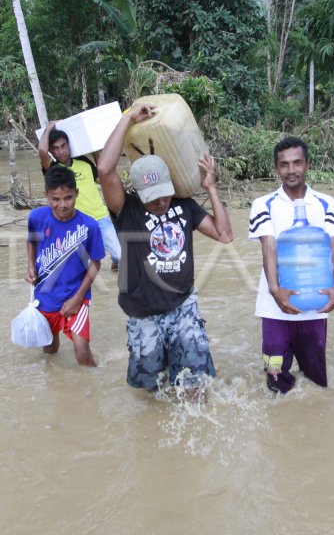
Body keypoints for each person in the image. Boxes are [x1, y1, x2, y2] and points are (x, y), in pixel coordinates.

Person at [97, 103, 234, 398]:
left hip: (182, 305)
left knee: (196, 383)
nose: (159, 203)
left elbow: (224, 235)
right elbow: (105, 169)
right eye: (151, 199)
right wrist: (128, 119)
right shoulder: (126, 209)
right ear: (137, 193)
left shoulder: (184, 205)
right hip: (142, 312)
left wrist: (210, 187)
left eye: (163, 195)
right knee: (152, 389)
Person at [248, 137, 334, 394]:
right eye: (284, 164)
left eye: (297, 163)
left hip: (316, 304)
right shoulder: (264, 205)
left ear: (307, 165)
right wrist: (275, 290)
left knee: (315, 380)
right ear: (276, 169)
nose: (291, 170)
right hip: (274, 308)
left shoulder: (326, 203)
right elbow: (268, 246)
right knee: (275, 376)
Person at [25, 165, 106, 367]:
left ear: (76, 193)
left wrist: (78, 298)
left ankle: (94, 388)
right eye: (56, 199)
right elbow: (32, 241)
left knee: (82, 354)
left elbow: (95, 263)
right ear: (46, 196)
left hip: (75, 296)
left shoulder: (89, 225)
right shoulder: (37, 218)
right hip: (45, 297)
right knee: (50, 350)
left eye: (68, 197)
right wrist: (30, 265)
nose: (63, 204)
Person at [38, 123, 121, 270]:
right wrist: (49, 127)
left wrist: (95, 151)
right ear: (52, 151)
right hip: (75, 223)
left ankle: (115, 262)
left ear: (69, 146)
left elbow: (103, 179)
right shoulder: (53, 169)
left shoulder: (84, 162)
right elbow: (42, 152)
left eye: (63, 146)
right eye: (55, 149)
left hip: (100, 216)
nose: (61, 151)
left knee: (121, 257)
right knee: (78, 268)